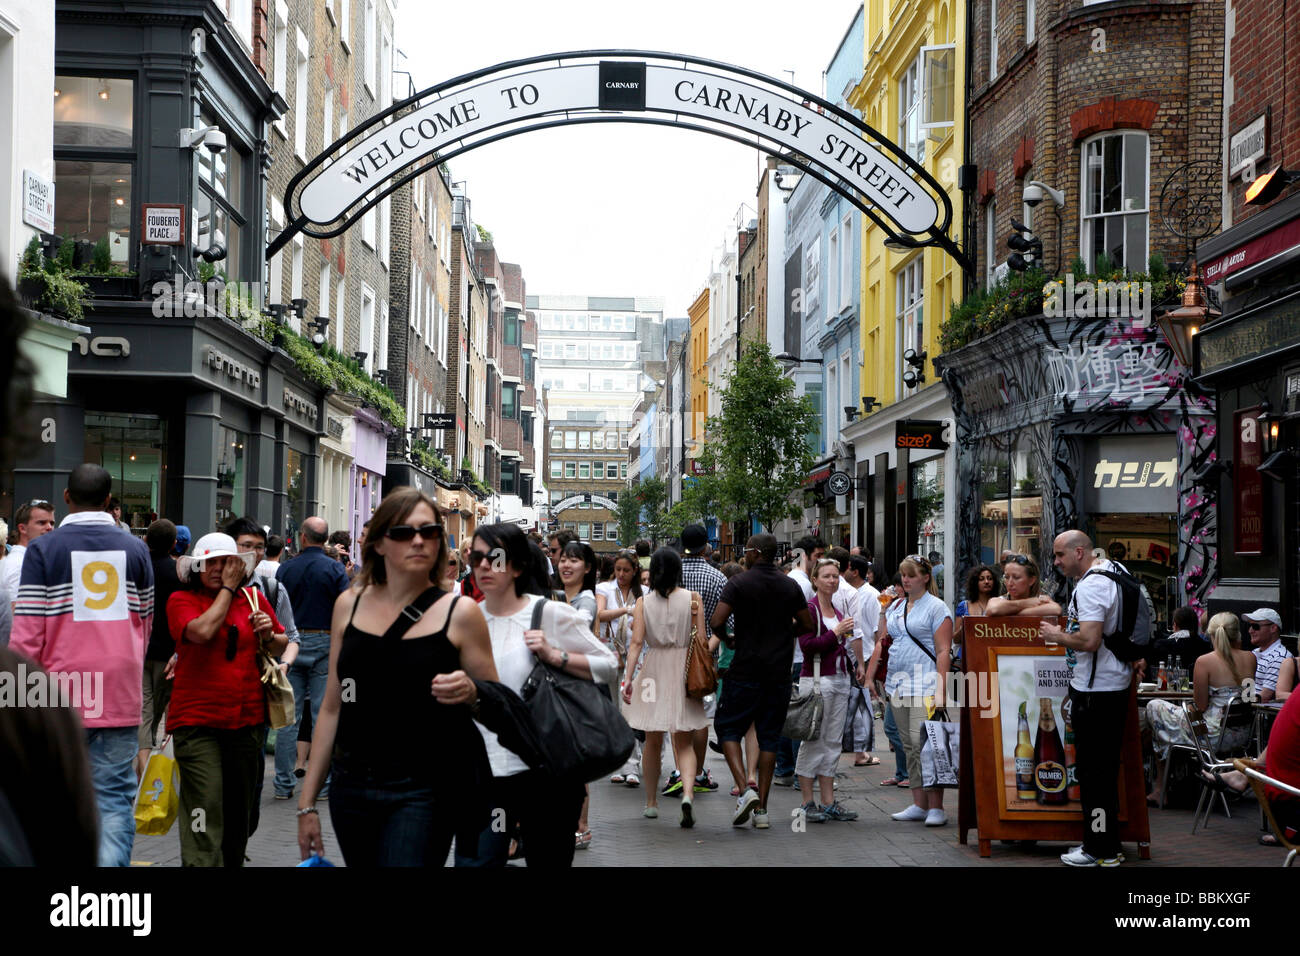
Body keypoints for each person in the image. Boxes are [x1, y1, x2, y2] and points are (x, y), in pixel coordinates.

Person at [297, 487, 501, 867]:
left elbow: (497, 705)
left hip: (424, 788)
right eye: (404, 532)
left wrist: (472, 692)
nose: (418, 541)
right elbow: (332, 707)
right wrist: (307, 803)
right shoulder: (348, 605)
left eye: (429, 531)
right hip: (352, 785)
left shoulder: (460, 613)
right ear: (378, 543)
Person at [9, 463, 153, 867]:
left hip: (59, 699)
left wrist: (15, 701)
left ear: (67, 497)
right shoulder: (136, 550)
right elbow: (144, 624)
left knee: (52, 802)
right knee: (113, 803)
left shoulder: (44, 549)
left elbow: (27, 635)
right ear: (108, 501)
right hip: (118, 694)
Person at [454, 523, 617, 866]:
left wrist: (555, 656)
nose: (483, 566)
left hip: (544, 771)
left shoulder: (548, 613)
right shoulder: (465, 618)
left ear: (517, 566)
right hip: (484, 773)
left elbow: (608, 664)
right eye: (476, 558)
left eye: (494, 558)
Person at [165, 532, 287, 865]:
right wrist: (229, 590)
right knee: (205, 805)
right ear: (197, 567)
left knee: (239, 813)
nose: (219, 569)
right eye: (211, 563)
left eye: (226, 562)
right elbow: (202, 632)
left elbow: (280, 642)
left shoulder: (253, 599)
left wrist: (268, 633)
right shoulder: (181, 600)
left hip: (246, 721)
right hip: (197, 722)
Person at [1039, 530, 1136, 867]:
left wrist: (1056, 635)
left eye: (1059, 555)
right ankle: (1107, 844)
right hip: (1112, 684)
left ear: (1079, 552)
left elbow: (1090, 640)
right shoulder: (1116, 571)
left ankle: (1099, 849)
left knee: (1094, 775)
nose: (1056, 562)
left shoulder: (1091, 586)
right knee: (1102, 772)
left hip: (1096, 691)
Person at [710, 534, 814, 829]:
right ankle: (763, 811)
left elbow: (717, 622)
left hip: (744, 670)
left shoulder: (738, 583)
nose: (745, 554)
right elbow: (807, 624)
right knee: (769, 737)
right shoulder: (789, 585)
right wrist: (783, 633)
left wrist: (730, 638)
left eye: (746, 550)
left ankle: (745, 790)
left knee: (728, 728)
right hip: (778, 673)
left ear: (755, 552)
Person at [623, 548, 712, 827]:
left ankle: (651, 803)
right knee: (683, 742)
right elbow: (702, 641)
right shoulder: (693, 599)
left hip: (653, 672)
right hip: (685, 673)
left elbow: (636, 643)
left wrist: (628, 679)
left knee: (652, 740)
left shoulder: (643, 603)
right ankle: (688, 794)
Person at [865, 554, 952, 826]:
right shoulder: (898, 605)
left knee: (924, 744)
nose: (905, 579)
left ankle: (936, 806)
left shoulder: (936, 607)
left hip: (925, 682)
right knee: (908, 746)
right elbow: (883, 638)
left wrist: (941, 689)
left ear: (925, 577)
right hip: (898, 682)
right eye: (903, 575)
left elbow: (943, 650)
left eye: (911, 575)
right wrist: (883, 610)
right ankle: (919, 803)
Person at [225, 517, 301, 820]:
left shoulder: (270, 589)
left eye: (259, 547)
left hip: (255, 699)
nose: (254, 553)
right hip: (213, 703)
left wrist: (284, 663)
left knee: (250, 785)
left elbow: (291, 637)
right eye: (246, 546)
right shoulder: (207, 585)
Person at [273, 516, 351, 799]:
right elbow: (345, 608)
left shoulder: (286, 568)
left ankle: (283, 783)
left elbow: (276, 606)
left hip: (290, 644)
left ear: (303, 537)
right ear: (326, 539)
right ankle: (322, 784)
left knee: (288, 718)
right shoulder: (334, 569)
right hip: (324, 640)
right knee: (322, 716)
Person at [1145, 612, 1256, 803]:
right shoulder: (1250, 658)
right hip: (1241, 734)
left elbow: (1201, 706)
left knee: (1154, 707)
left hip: (1212, 735)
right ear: (1237, 634)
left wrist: (1187, 708)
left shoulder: (1205, 661)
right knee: (1171, 720)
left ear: (1211, 635)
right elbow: (1248, 696)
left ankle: (1161, 788)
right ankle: (1175, 780)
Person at [795, 558, 860, 822]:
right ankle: (807, 802)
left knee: (833, 741)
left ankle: (828, 801)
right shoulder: (809, 609)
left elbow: (838, 644)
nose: (832, 581)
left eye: (835, 576)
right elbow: (807, 646)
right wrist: (836, 633)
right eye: (826, 576)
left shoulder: (837, 608)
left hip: (840, 679)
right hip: (817, 680)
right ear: (815, 580)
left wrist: (854, 662)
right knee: (813, 739)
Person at [668, 524, 728, 795]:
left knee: (677, 714)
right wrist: (706, 650)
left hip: (673, 653)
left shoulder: (671, 575)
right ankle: (699, 772)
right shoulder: (717, 577)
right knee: (700, 715)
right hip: (704, 659)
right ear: (706, 546)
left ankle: (680, 771)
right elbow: (726, 625)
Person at [775, 535, 826, 785]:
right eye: (818, 556)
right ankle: (798, 772)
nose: (821, 561)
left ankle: (785, 768)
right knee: (801, 716)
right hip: (798, 657)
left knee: (789, 713)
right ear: (804, 556)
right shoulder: (803, 585)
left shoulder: (792, 579)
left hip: (790, 656)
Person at [138, 520, 183, 778]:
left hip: (139, 648)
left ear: (146, 540)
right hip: (167, 653)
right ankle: (152, 766)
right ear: (174, 543)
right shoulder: (178, 573)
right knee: (161, 707)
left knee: (144, 710)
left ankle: (143, 764)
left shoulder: (137, 570)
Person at [598, 549, 644, 786]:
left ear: (635, 570)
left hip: (636, 656)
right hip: (611, 654)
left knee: (630, 710)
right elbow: (600, 614)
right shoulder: (604, 589)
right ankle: (619, 763)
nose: (621, 574)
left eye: (626, 570)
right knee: (615, 711)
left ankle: (631, 765)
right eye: (618, 570)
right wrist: (627, 610)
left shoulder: (644, 592)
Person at [1, 500, 56, 600]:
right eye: (42, 523)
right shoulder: (20, 564)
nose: (49, 527)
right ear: (22, 528)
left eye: (52, 523)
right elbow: (14, 607)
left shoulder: (29, 560)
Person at [987, 554, 1061, 618]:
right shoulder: (1000, 600)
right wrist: (1026, 603)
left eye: (1016, 577)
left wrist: (1009, 612)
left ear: (1031, 580)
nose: (1010, 583)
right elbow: (992, 609)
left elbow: (1056, 609)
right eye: (1006, 577)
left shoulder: (1041, 599)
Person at [1244, 608, 1293, 703]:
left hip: (1256, 709)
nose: (1250, 631)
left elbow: (1264, 697)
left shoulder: (1280, 657)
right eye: (1249, 626)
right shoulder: (1254, 652)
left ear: (1273, 628)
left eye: (1255, 626)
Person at [555, 540, 598, 633]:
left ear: (587, 568)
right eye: (562, 560)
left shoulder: (587, 601)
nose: (566, 565)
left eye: (573, 561)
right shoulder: (555, 596)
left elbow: (578, 627)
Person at [954, 565, 998, 651]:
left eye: (990, 578)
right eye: (981, 579)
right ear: (975, 583)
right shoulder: (964, 606)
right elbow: (955, 639)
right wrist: (966, 626)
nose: (986, 582)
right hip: (967, 654)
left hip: (991, 653)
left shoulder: (1000, 605)